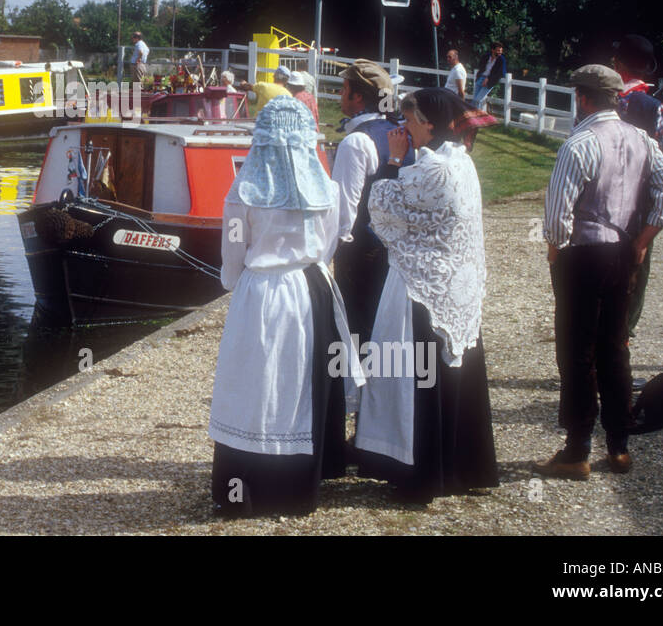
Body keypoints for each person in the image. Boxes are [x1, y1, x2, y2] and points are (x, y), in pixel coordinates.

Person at [209, 96, 362, 516]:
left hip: (263, 291)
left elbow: (233, 253)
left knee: (257, 387)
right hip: (312, 290)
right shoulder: (327, 191)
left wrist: (236, 283)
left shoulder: (243, 192)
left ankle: (248, 485)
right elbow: (328, 244)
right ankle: (297, 485)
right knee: (302, 385)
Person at [536, 64, 663, 479]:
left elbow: (557, 212)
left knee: (576, 351)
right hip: (622, 251)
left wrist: (555, 250)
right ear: (616, 99)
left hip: (583, 254)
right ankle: (619, 445)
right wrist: (640, 241)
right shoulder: (641, 139)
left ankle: (577, 448)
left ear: (582, 98)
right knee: (615, 346)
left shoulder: (580, 142)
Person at [353, 88, 499, 502]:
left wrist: (394, 160)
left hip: (423, 291)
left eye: (410, 120)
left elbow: (380, 209)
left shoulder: (429, 170)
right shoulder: (461, 162)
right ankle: (460, 464)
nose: (403, 128)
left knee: (414, 381)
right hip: (455, 289)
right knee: (449, 379)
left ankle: (420, 471)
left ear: (430, 124)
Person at [331, 59, 411, 345]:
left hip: (361, 253)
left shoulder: (356, 143)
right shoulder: (403, 132)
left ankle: (356, 387)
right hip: (398, 250)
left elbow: (344, 212)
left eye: (343, 90)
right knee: (385, 328)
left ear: (358, 97)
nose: (340, 95)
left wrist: (332, 253)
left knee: (356, 329)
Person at [613, 34, 663, 338]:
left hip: (599, 209)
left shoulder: (600, 102)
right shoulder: (656, 109)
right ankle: (620, 348)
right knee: (634, 279)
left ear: (617, 65)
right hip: (639, 212)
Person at [286, 70, 328, 174]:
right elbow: (316, 115)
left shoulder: (295, 100)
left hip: (303, 137)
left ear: (291, 86)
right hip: (314, 133)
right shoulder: (310, 97)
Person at [472, 42, 507, 109]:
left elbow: (501, 73)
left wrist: (488, 78)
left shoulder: (501, 60)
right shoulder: (486, 56)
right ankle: (474, 117)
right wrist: (479, 76)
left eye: (501, 51)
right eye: (498, 50)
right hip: (480, 78)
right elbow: (480, 66)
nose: (500, 52)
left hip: (489, 81)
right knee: (474, 100)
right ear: (492, 50)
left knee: (478, 100)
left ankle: (476, 118)